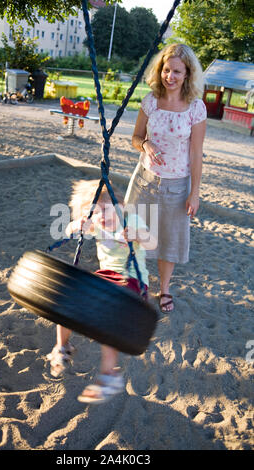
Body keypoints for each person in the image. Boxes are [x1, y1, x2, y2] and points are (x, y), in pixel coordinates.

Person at [47, 179, 157, 404]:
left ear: (120, 206)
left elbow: (153, 244)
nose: (102, 216)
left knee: (110, 315)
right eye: (95, 214)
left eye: (106, 210)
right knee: (70, 295)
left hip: (132, 279)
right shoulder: (96, 223)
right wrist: (77, 226)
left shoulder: (130, 221)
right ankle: (62, 346)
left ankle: (109, 375)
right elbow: (68, 230)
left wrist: (137, 235)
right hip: (106, 277)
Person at [125, 43, 207, 313]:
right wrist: (145, 145)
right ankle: (137, 284)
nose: (170, 76)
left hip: (177, 186)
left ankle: (166, 288)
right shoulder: (150, 101)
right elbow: (136, 138)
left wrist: (194, 193)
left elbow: (196, 154)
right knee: (138, 236)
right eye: (166, 70)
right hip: (145, 181)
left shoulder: (196, 108)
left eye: (177, 72)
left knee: (169, 241)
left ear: (188, 75)